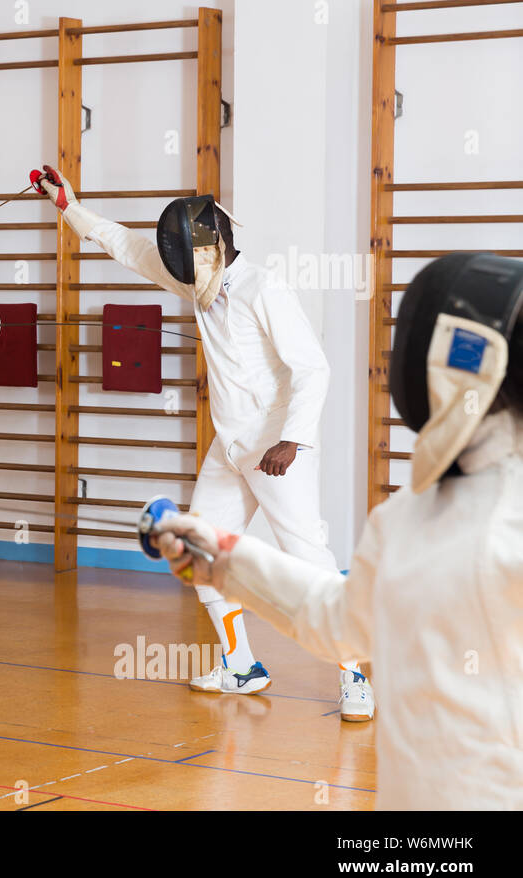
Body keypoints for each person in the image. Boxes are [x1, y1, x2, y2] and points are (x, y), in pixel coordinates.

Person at [150, 252, 523, 808]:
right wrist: (215, 555)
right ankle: (240, 663)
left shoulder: (435, 522)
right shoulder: (407, 519)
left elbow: (333, 620)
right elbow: (336, 619)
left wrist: (217, 556)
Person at [32, 165, 374, 721]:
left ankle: (356, 672)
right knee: (195, 549)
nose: (182, 273)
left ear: (215, 243)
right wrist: (69, 206)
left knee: (309, 560)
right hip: (231, 445)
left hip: (275, 450)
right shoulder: (197, 278)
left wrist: (291, 440)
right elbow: (130, 247)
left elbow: (313, 367)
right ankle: (241, 663)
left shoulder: (265, 288)